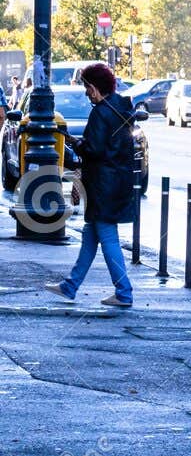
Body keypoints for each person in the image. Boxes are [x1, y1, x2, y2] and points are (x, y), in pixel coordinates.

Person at [43, 63, 137, 308]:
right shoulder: (120, 108)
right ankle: (70, 286)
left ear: (94, 88)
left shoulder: (100, 112)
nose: (86, 93)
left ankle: (124, 292)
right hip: (118, 182)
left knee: (107, 237)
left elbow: (94, 149)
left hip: (102, 185)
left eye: (87, 87)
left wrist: (76, 144)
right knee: (90, 235)